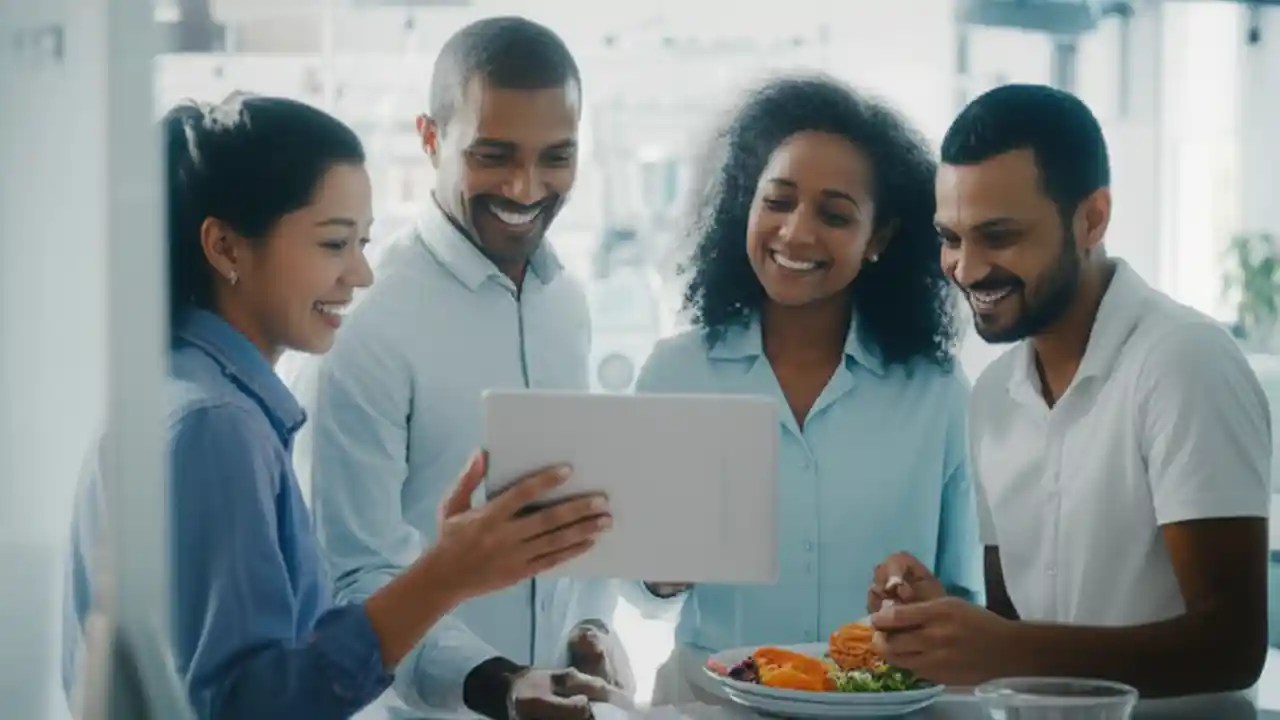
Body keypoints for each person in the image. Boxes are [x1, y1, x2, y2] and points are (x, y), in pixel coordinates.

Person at [59, 95, 617, 720]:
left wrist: (449, 577)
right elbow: (255, 706)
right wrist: (446, 575)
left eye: (363, 243)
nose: (361, 275)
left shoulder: (181, 394)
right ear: (225, 247)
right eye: (333, 244)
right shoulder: (215, 426)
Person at [868, 84, 1271, 698]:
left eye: (998, 236)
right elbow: (1014, 632)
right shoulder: (993, 395)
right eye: (951, 237)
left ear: (1092, 219)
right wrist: (943, 622)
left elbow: (1231, 647)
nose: (967, 268)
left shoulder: (1184, 362)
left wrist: (1002, 649)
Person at [290, 17, 634, 720]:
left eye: (556, 156)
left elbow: (568, 521)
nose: (526, 185)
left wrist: (588, 634)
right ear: (430, 139)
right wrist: (498, 683)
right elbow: (355, 579)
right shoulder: (368, 331)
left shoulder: (567, 304)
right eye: (494, 153)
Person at [633, 75, 983, 704]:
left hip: (878, 710)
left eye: (835, 215)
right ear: (747, 204)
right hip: (710, 706)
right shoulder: (675, 374)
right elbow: (637, 588)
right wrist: (660, 574)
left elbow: (965, 595)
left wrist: (924, 600)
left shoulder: (936, 393)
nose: (795, 234)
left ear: (877, 238)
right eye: (778, 201)